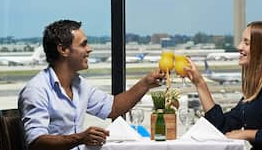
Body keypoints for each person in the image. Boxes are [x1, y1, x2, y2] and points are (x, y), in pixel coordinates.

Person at [18, 20, 164, 150]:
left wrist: (146, 83)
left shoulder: (79, 84)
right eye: (83, 44)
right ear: (63, 50)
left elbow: (113, 108)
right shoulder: (36, 90)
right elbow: (36, 142)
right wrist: (80, 138)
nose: (89, 49)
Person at [185, 21, 262, 150]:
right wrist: (199, 83)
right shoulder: (257, 87)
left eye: (246, 43)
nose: (239, 47)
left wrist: (245, 134)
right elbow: (222, 126)